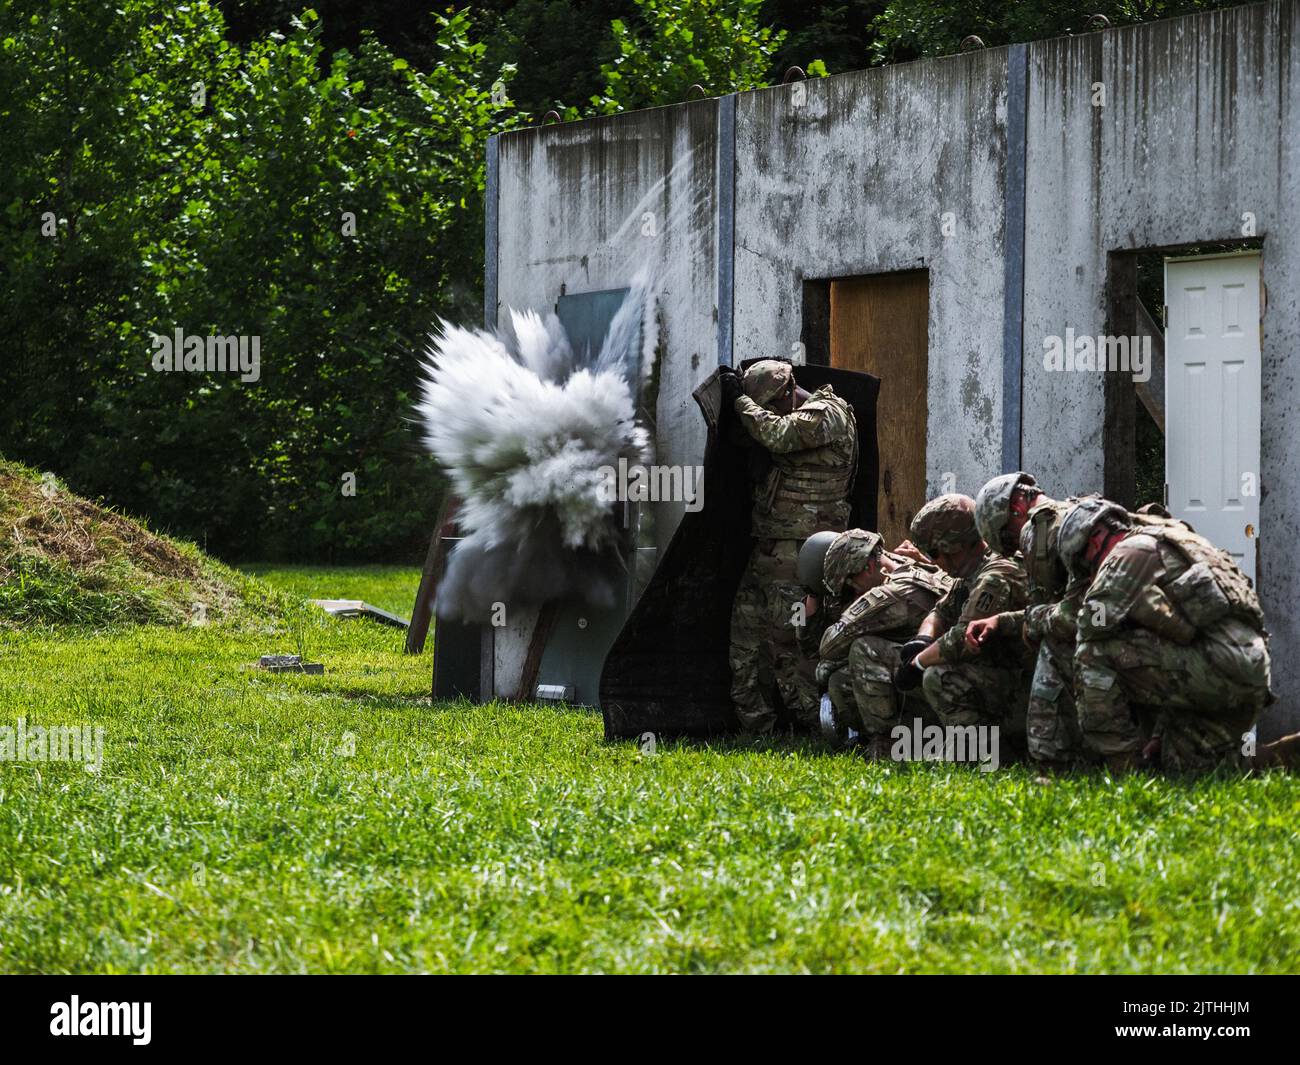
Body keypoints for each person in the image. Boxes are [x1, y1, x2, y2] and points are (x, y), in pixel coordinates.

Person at [1056, 497, 1273, 773]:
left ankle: (1124, 771)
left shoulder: (1128, 552)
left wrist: (1038, 617)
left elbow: (1089, 625)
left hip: (1218, 668)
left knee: (1091, 652)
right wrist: (1160, 732)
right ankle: (1286, 754)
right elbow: (1171, 649)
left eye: (1085, 567)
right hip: (1250, 673)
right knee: (1185, 768)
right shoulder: (1177, 540)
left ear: (1094, 543)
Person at [718, 359, 857, 733]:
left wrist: (740, 404)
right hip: (768, 549)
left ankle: (818, 728)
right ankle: (757, 729)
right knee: (745, 638)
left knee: (789, 643)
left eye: (765, 408)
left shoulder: (828, 413)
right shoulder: (784, 416)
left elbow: (779, 434)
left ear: (785, 394)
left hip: (802, 556)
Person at [796, 529, 951, 756]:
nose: (849, 589)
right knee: (839, 674)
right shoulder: (901, 565)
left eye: (848, 583)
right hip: (935, 667)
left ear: (866, 567)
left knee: (859, 653)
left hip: (940, 677)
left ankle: (893, 743)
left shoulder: (888, 590)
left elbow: (826, 647)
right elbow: (805, 641)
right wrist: (810, 598)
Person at [894, 494, 1029, 752]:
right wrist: (923, 640)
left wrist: (919, 662)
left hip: (1022, 682)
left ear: (954, 547)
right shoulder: (971, 571)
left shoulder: (995, 575)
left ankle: (976, 751)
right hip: (999, 670)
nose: (934, 562)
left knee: (939, 676)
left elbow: (962, 640)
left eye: (935, 553)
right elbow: (941, 612)